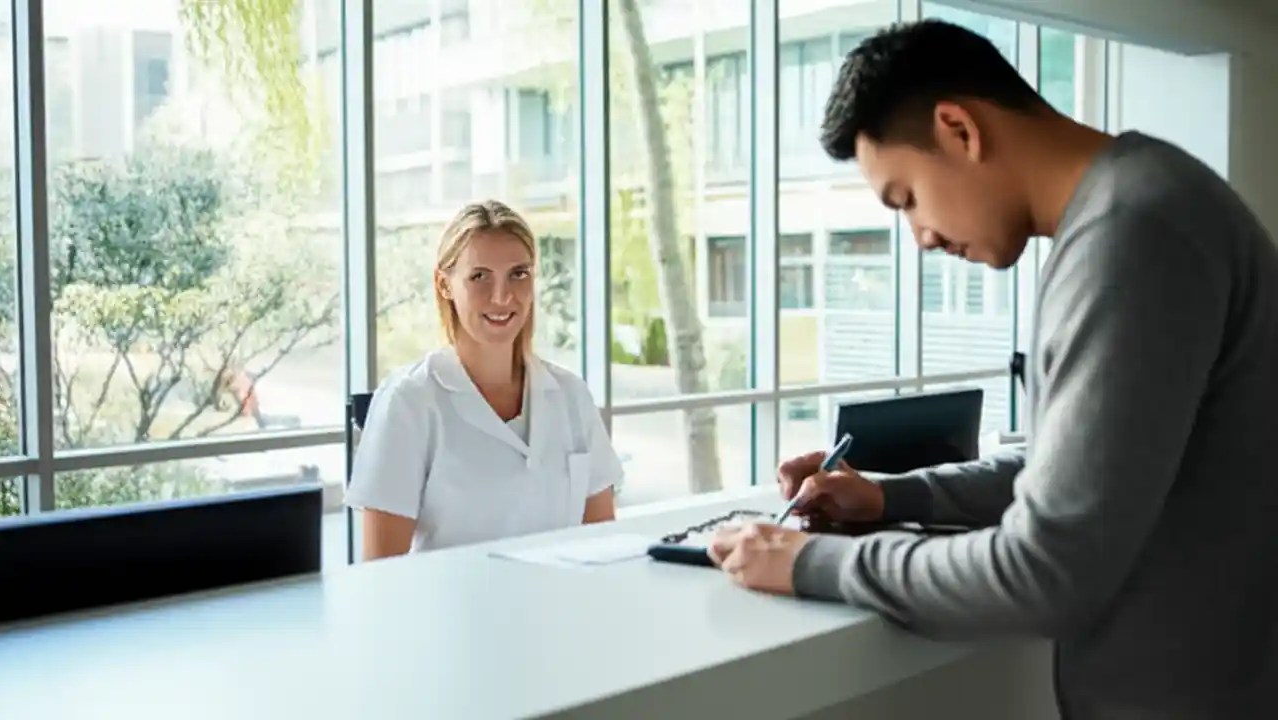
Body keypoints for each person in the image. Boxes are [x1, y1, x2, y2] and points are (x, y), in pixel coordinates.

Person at [708, 19, 1278, 719]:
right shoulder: (1149, 199)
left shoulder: (1132, 234)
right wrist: (894, 498)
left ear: (958, 129)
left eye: (906, 198)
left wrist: (804, 563)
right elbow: (1073, 474)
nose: (920, 237)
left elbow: (1044, 573)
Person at [346, 200, 621, 560]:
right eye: (480, 277)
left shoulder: (570, 395)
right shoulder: (408, 401)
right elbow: (381, 574)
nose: (502, 296)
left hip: (559, 609)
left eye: (518, 274)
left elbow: (601, 544)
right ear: (444, 285)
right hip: (451, 613)